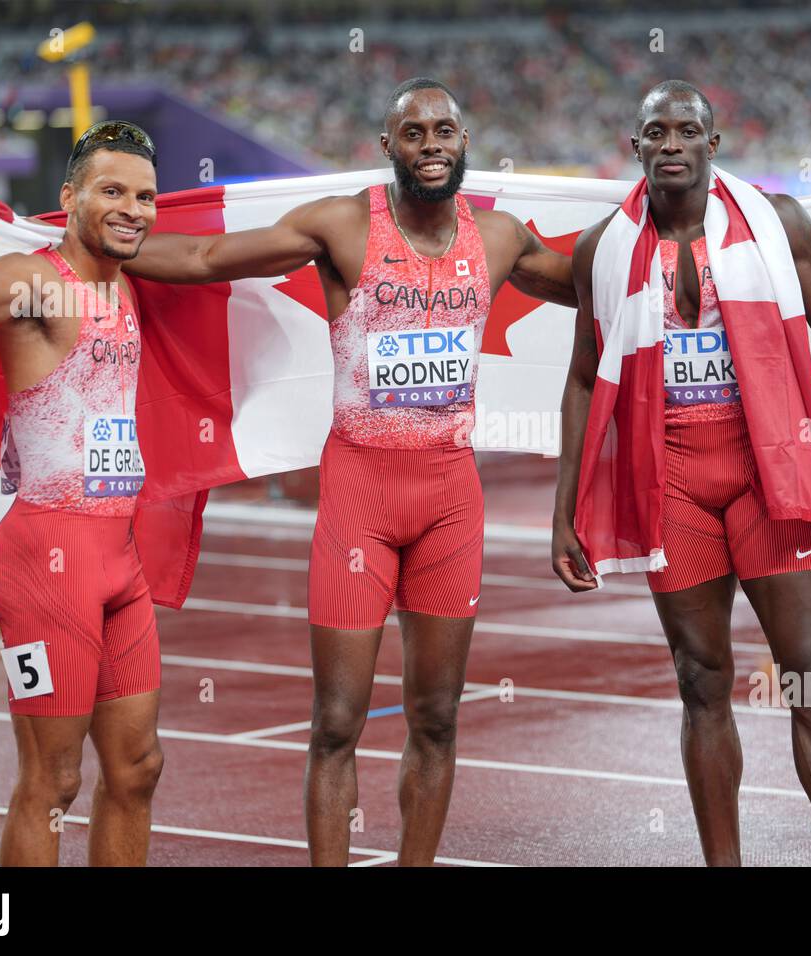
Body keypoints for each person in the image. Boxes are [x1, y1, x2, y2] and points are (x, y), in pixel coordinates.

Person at [124, 78, 577, 865]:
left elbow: (606, 285)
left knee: (437, 717)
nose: (431, 144)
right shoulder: (343, 226)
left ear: (464, 143)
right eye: (413, 133)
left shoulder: (498, 238)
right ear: (387, 148)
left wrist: (685, 241)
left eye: (444, 130)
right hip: (359, 499)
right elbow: (204, 256)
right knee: (336, 721)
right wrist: (105, 242)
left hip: (449, 500)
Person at [552, 81, 811, 865]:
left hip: (767, 470)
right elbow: (581, 376)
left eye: (686, 130)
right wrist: (564, 506)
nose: (670, 143)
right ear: (635, 147)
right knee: (700, 682)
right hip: (670, 480)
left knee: (810, 681)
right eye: (654, 132)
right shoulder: (601, 248)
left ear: (714, 143)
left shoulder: (779, 224)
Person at [0, 121, 165, 865]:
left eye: (146, 196)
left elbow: (215, 255)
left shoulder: (124, 284)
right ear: (69, 199)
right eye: (113, 191)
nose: (133, 208)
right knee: (52, 781)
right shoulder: (38, 281)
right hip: (43, 563)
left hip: (119, 562)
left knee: (137, 768)